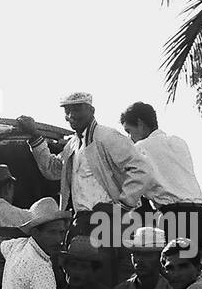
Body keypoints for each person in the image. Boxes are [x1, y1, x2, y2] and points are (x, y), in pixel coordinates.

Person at [16, 92, 154, 254]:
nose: (71, 115)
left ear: (92, 110)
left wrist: (122, 206)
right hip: (81, 220)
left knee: (107, 271)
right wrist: (34, 137)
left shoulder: (107, 136)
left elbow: (143, 170)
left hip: (109, 219)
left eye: (77, 109)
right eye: (67, 110)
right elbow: (52, 169)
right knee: (80, 272)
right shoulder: (73, 144)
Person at [119, 101, 202, 248]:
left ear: (140, 124)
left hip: (173, 218)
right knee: (192, 266)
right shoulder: (179, 142)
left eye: (129, 131)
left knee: (170, 265)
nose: (129, 138)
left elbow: (133, 184)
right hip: (198, 216)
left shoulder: (140, 148)